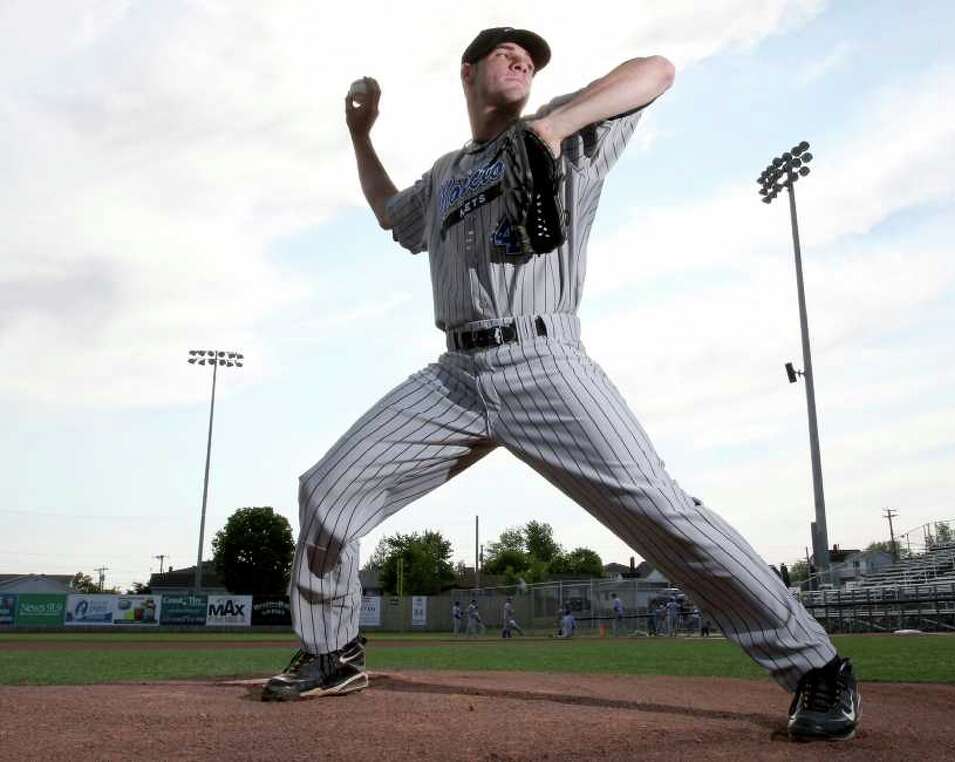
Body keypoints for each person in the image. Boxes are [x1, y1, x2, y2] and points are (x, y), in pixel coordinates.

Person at [260, 25, 860, 742]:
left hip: (546, 360)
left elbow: (658, 69)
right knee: (327, 491)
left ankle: (817, 668)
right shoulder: (450, 170)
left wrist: (556, 125)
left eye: (531, 58)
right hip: (455, 375)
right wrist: (360, 133)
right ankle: (332, 652)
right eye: (505, 51)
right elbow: (394, 217)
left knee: (660, 514)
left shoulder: (574, 128)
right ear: (468, 71)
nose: (522, 59)